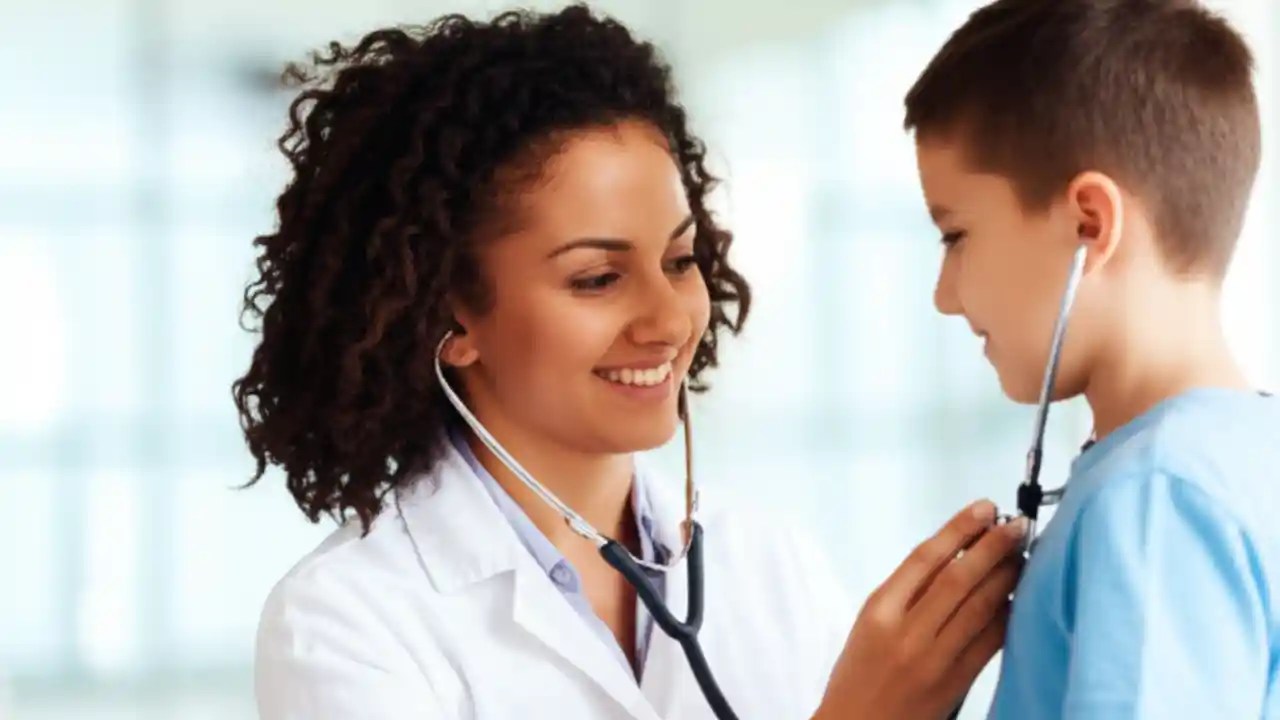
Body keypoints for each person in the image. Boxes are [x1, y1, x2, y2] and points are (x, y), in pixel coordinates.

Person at [234, 6, 1025, 719]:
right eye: (597, 279)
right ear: (451, 314)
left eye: (680, 261)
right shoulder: (347, 624)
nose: (669, 318)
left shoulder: (767, 563)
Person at [905, 0, 1280, 717]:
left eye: (954, 236)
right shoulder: (1243, 460)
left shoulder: (1155, 495)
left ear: (1089, 224)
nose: (944, 297)